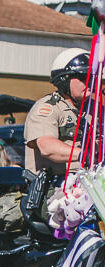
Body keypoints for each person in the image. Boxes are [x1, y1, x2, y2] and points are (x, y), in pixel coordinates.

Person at [25, 47, 89, 177]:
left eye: (90, 77)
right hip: (54, 188)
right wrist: (85, 154)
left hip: (90, 183)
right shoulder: (48, 108)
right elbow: (47, 147)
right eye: (82, 77)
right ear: (64, 79)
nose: (88, 82)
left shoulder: (95, 110)